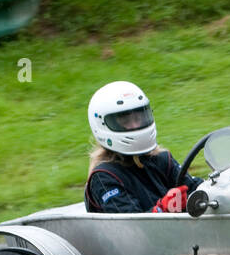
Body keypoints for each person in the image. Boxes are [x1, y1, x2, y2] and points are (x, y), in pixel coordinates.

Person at [84, 81, 200, 214]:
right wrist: (162, 209)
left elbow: (194, 188)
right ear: (103, 124)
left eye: (138, 118)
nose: (135, 125)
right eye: (125, 121)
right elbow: (130, 225)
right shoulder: (104, 177)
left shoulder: (162, 159)